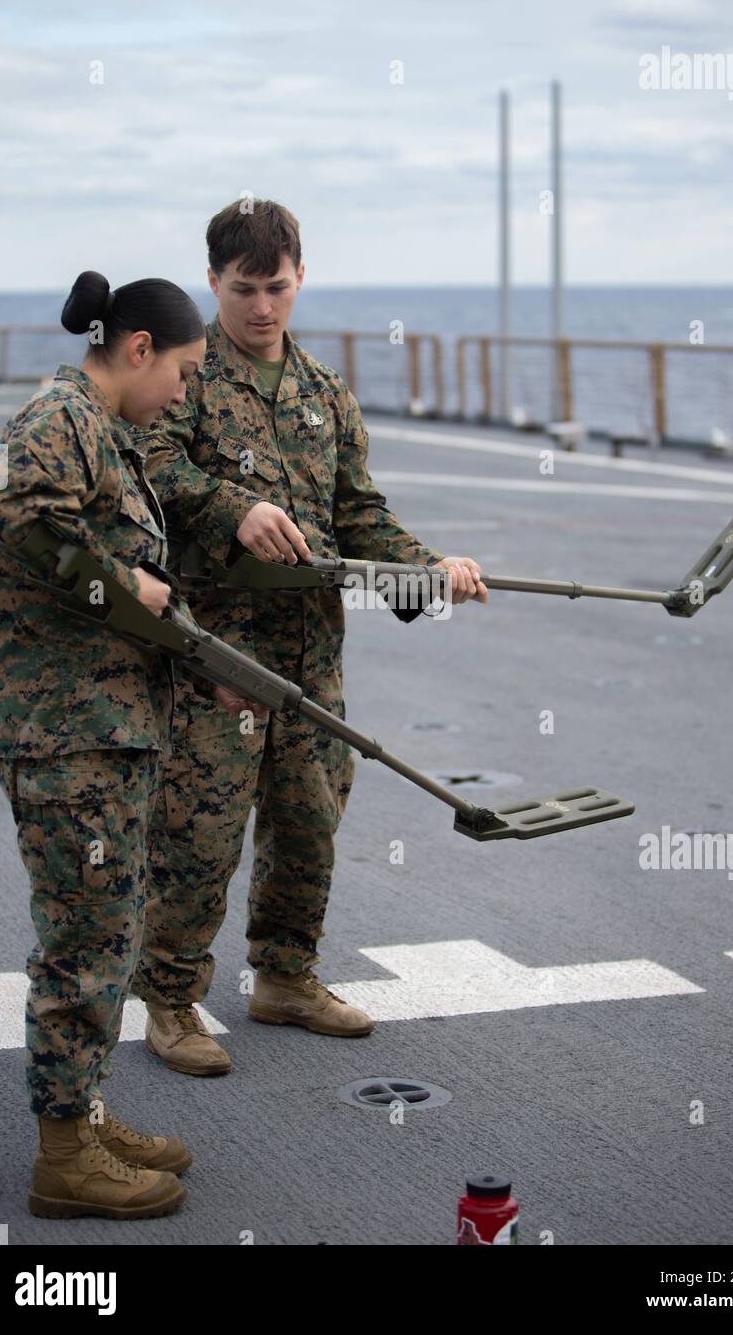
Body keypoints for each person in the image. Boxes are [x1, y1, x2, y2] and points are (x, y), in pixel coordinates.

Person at [130, 198, 488, 1075]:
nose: (262, 307)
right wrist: (234, 508)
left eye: (277, 287)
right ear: (212, 282)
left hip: (311, 658)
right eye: (244, 288)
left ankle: (285, 977)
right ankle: (171, 1001)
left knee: (309, 819)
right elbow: (150, 470)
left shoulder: (325, 393)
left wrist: (428, 570)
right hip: (216, 655)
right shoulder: (186, 378)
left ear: (301, 279)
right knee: (199, 832)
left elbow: (360, 517)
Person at [0, 270, 207, 1218]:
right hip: (63, 727)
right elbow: (29, 530)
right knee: (84, 937)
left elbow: (104, 563)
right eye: (185, 373)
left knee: (107, 927)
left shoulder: (104, 430)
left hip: (100, 725)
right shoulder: (59, 420)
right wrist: (130, 590)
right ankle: (64, 1157)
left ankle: (84, 1108)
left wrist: (176, 631)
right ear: (139, 348)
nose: (186, 394)